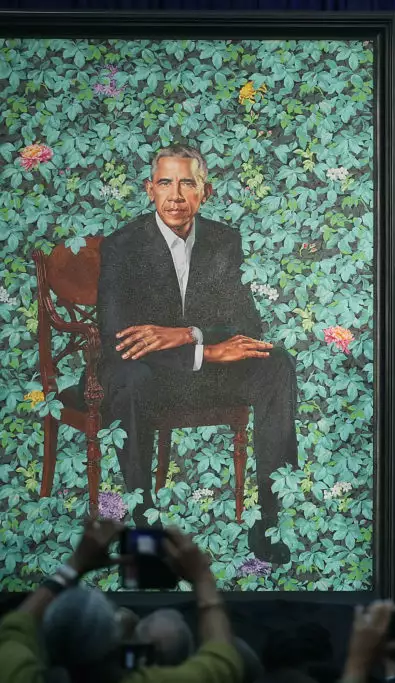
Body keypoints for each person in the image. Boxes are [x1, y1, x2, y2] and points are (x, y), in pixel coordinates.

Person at [97, 144, 297, 564]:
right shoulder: (122, 245)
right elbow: (123, 338)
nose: (176, 195)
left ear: (205, 192)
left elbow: (245, 323)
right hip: (146, 373)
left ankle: (269, 520)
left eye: (188, 183)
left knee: (276, 363)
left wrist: (188, 334)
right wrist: (205, 353)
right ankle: (144, 529)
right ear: (149, 189)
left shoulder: (225, 240)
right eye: (165, 183)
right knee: (130, 380)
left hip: (202, 369)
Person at [0, 517, 241, 683]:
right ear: (115, 649)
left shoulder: (14, 673)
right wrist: (201, 577)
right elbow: (224, 661)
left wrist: (76, 564)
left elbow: (15, 628)